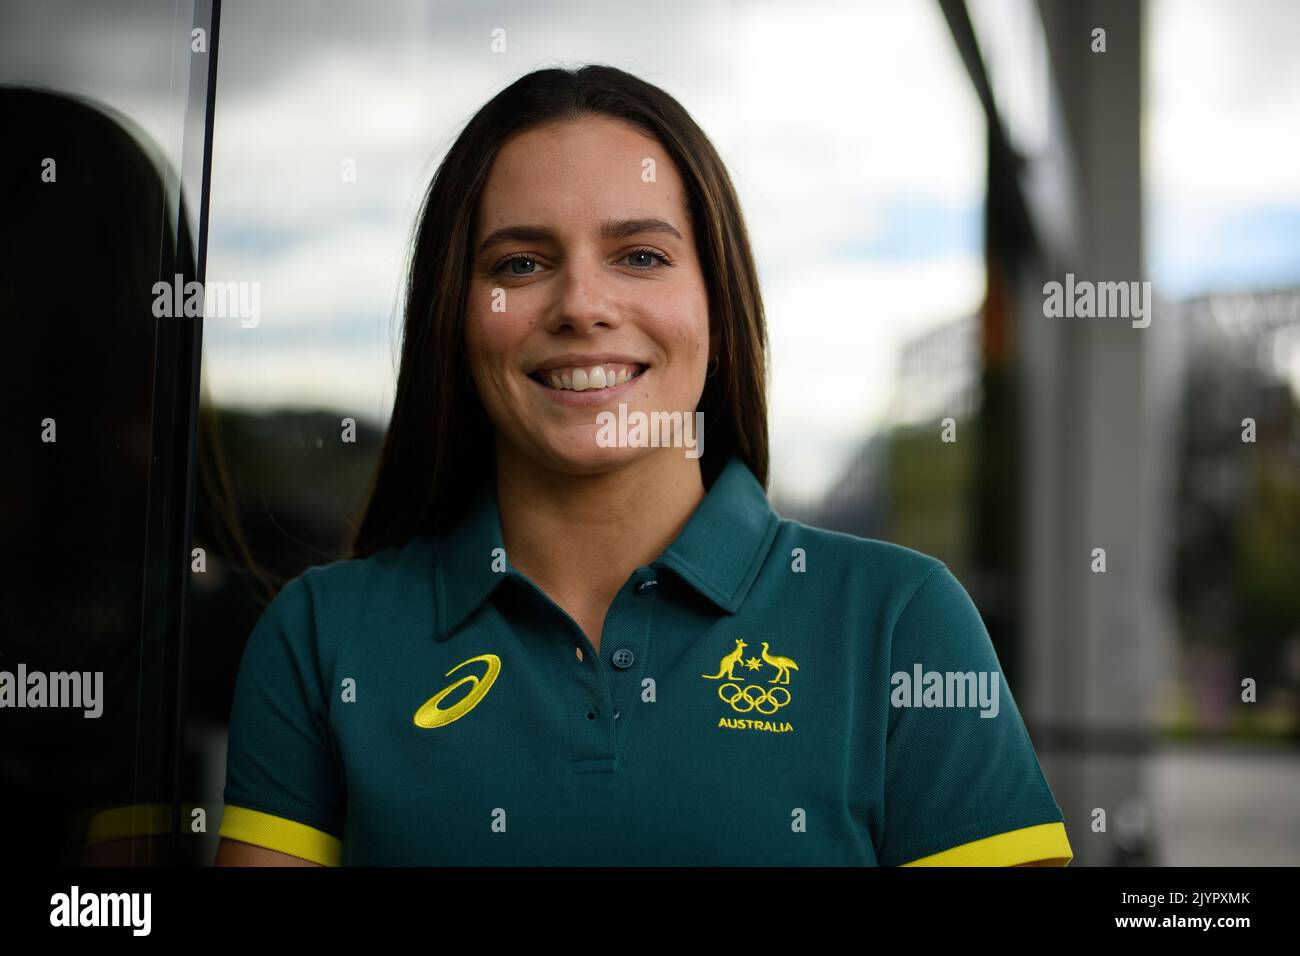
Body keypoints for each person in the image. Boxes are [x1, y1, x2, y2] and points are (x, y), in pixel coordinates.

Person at [214, 64, 1072, 867]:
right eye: (520, 263)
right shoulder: (320, 640)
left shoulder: (898, 622)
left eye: (641, 256)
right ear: (458, 314)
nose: (583, 304)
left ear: (716, 303)